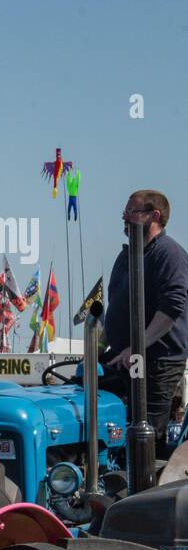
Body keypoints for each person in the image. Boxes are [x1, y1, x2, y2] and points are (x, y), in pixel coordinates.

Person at [100, 190, 188, 456]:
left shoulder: (168, 254)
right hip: (122, 356)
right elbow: (114, 308)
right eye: (124, 212)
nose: (125, 217)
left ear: (154, 216)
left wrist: (137, 347)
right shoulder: (126, 257)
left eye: (132, 212)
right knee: (83, 394)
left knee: (147, 434)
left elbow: (172, 308)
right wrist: (95, 352)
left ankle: (145, 488)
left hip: (157, 360)